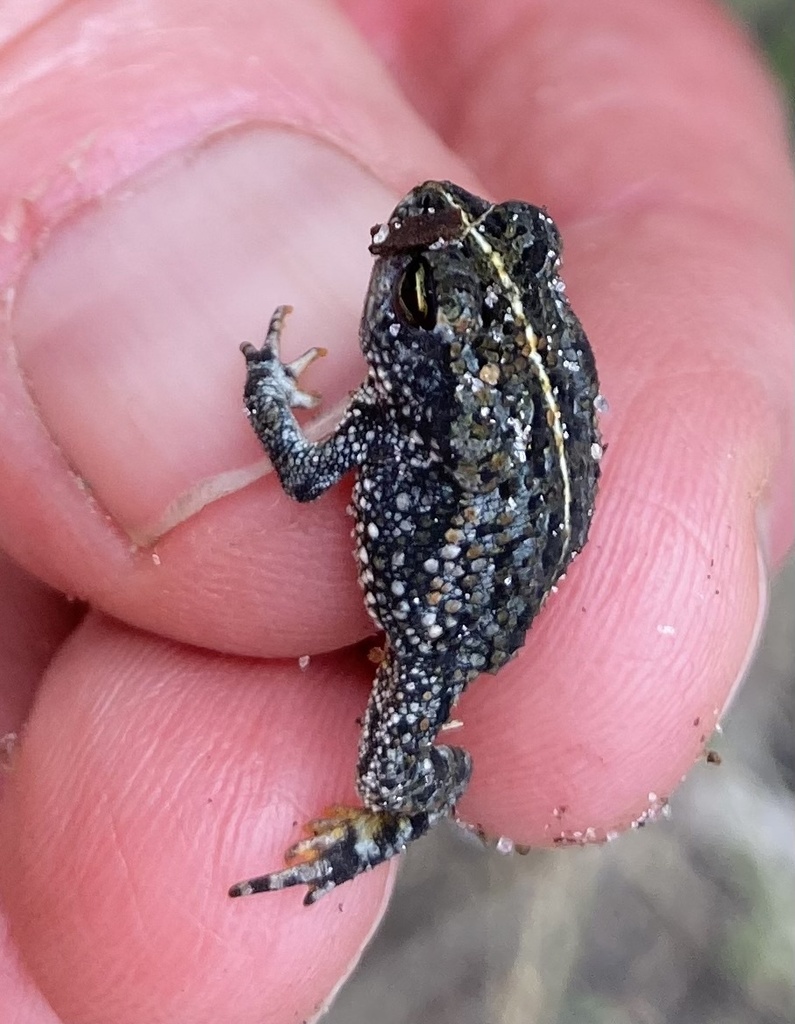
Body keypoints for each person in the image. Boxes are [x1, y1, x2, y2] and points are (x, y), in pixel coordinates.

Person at [0, 1, 791, 1022]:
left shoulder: (392, 423)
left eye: (416, 297)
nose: (439, 211)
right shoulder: (421, 403)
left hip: (444, 615)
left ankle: (404, 810)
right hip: (512, 539)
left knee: (390, 761)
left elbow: (294, 470)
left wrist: (264, 389)